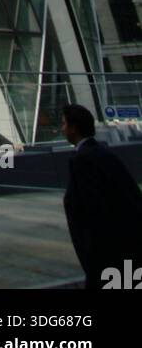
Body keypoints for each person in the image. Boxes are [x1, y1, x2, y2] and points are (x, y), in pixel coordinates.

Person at [61, 102, 142, 289]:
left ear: (74, 128)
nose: (62, 128)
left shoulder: (83, 160)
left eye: (64, 123)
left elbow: (92, 211)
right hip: (124, 249)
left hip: (107, 253)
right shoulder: (101, 153)